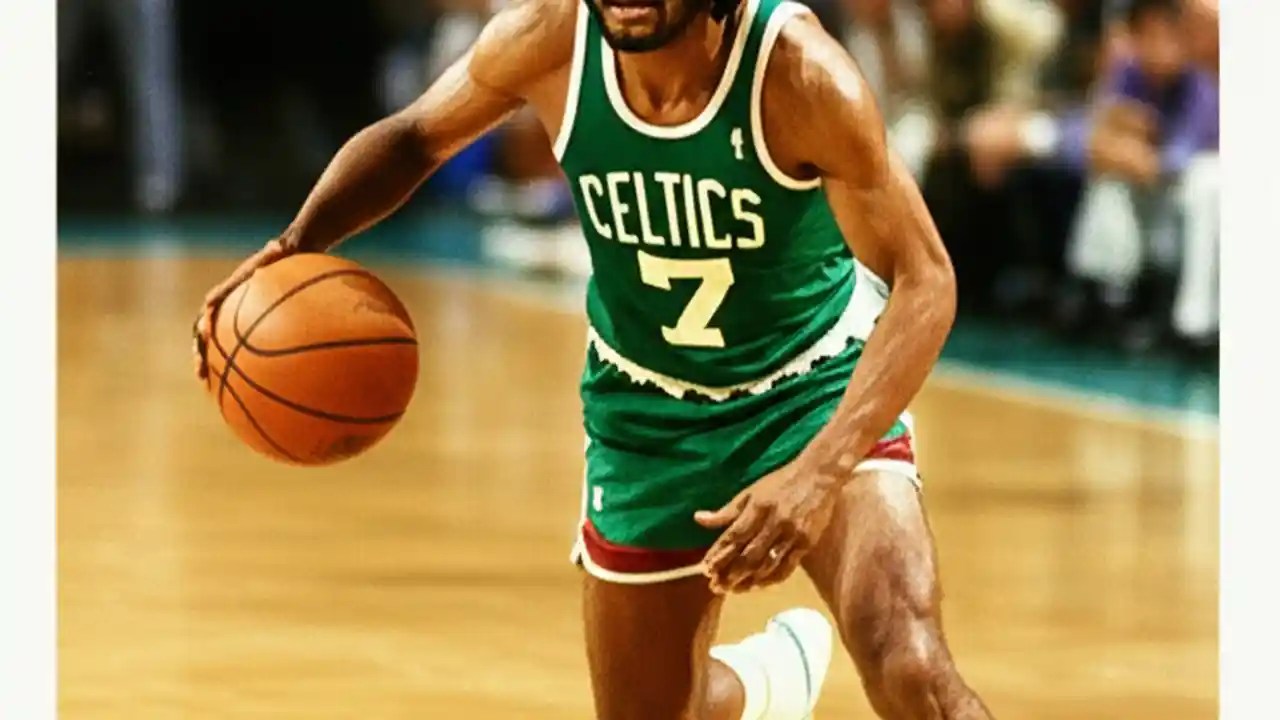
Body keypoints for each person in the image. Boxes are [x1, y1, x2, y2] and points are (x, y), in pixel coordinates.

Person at [192, 0, 993, 716]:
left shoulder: (802, 74)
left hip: (813, 383)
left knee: (910, 665)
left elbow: (926, 281)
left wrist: (820, 471)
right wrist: (291, 248)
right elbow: (412, 138)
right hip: (646, 411)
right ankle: (771, 681)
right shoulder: (550, 41)